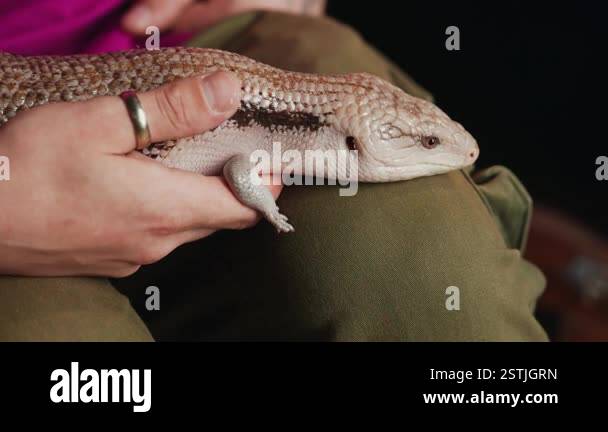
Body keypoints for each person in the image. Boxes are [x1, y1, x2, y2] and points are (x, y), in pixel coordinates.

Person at [0, 0, 548, 341]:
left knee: (438, 296)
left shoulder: (349, 125)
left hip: (205, 30)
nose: (463, 149)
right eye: (427, 140)